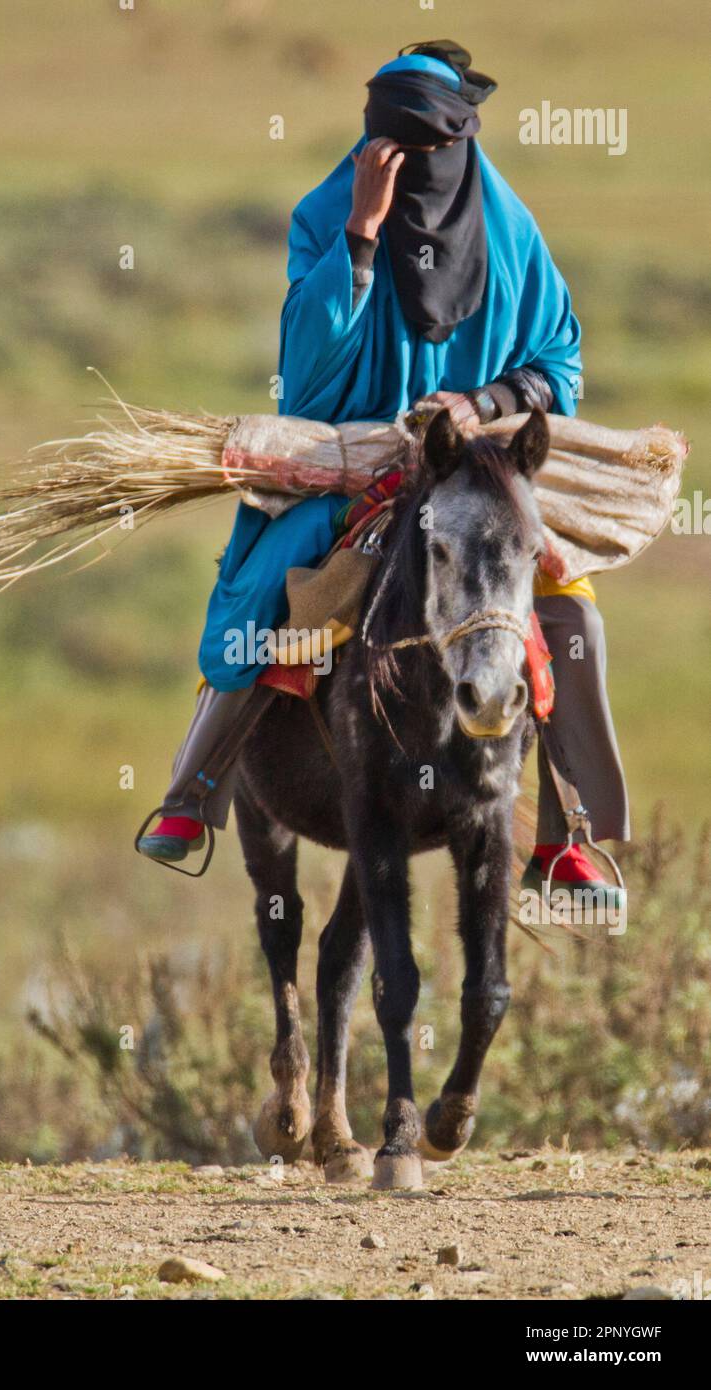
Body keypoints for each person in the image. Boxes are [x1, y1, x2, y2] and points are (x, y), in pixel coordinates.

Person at [138, 40, 629, 900]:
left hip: (479, 470)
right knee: (267, 596)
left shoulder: (512, 233)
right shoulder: (325, 216)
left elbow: (561, 363)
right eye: (391, 153)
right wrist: (361, 236)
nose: (413, 171)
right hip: (353, 470)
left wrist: (482, 403)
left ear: (459, 147)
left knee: (571, 617)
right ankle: (195, 791)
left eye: (431, 153)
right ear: (370, 148)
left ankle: (568, 837)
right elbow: (307, 373)